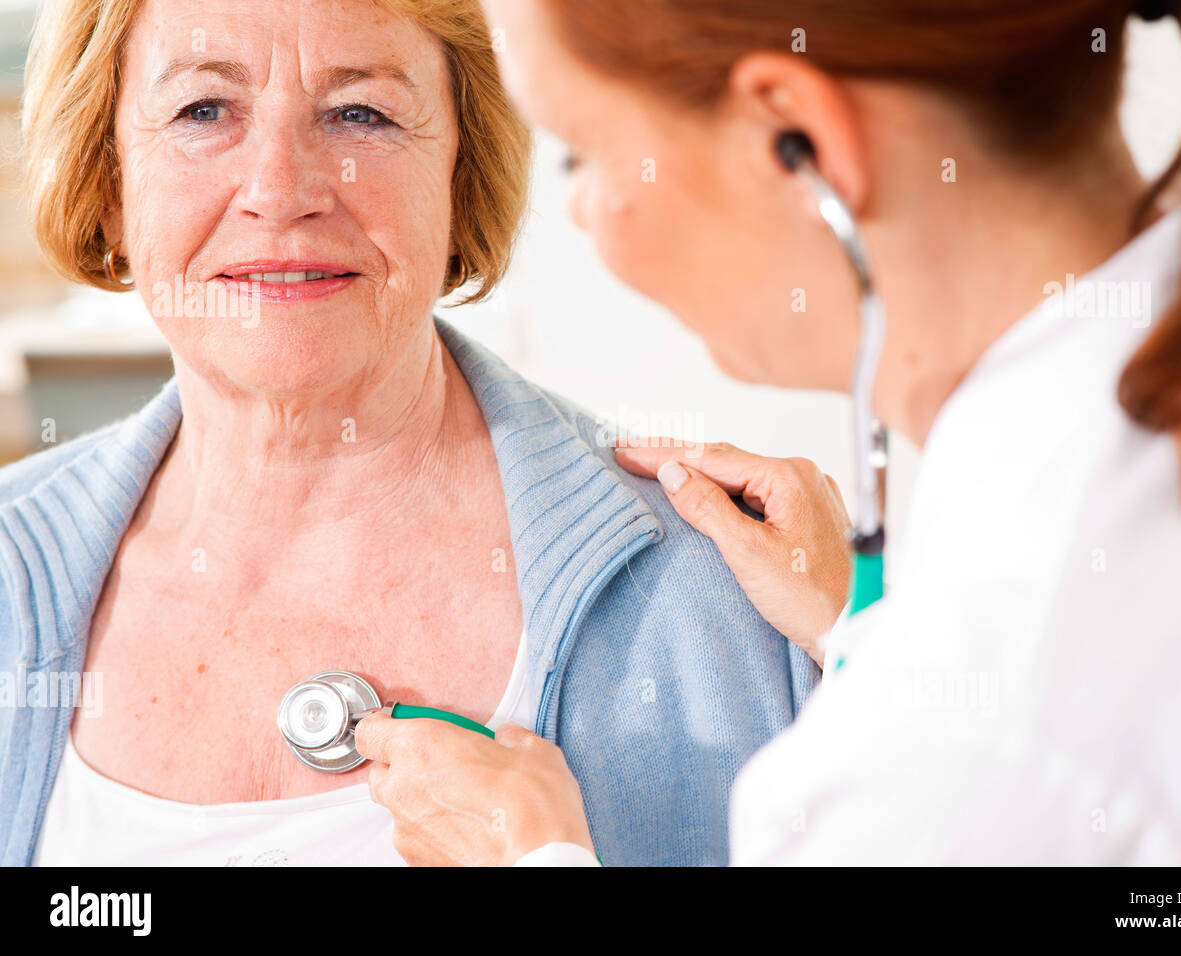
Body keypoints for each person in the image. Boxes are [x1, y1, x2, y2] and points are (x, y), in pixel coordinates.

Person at [354, 0, 1181, 865]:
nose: (588, 216)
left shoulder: (957, 756)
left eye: (586, 155)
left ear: (798, 137)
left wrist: (537, 858)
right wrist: (856, 631)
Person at [0, 0, 826, 868]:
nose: (281, 190)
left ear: (461, 178)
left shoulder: (733, 601)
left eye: (361, 112)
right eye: (204, 111)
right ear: (108, 188)